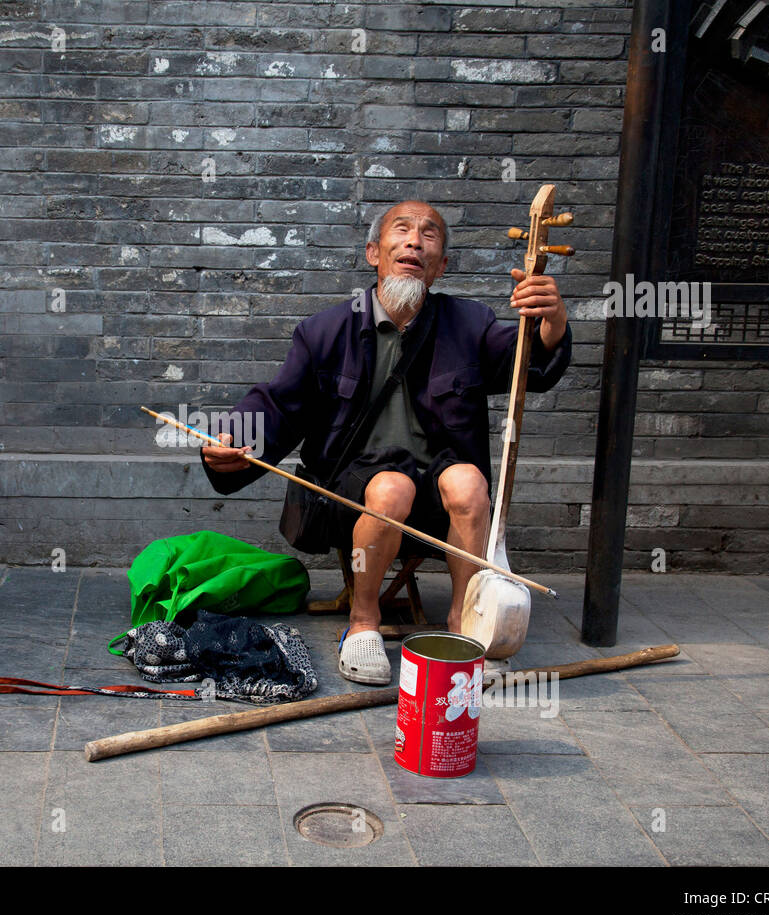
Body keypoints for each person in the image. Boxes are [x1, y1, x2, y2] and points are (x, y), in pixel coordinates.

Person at [200, 200, 572, 685]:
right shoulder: (325, 330)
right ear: (375, 252)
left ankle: (463, 626)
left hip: (435, 499)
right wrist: (232, 439)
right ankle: (363, 623)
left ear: (442, 266)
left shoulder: (471, 323)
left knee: (467, 481)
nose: (415, 240)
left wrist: (553, 321)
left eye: (430, 235)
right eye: (402, 230)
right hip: (349, 492)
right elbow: (278, 404)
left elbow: (528, 365)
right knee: (391, 486)